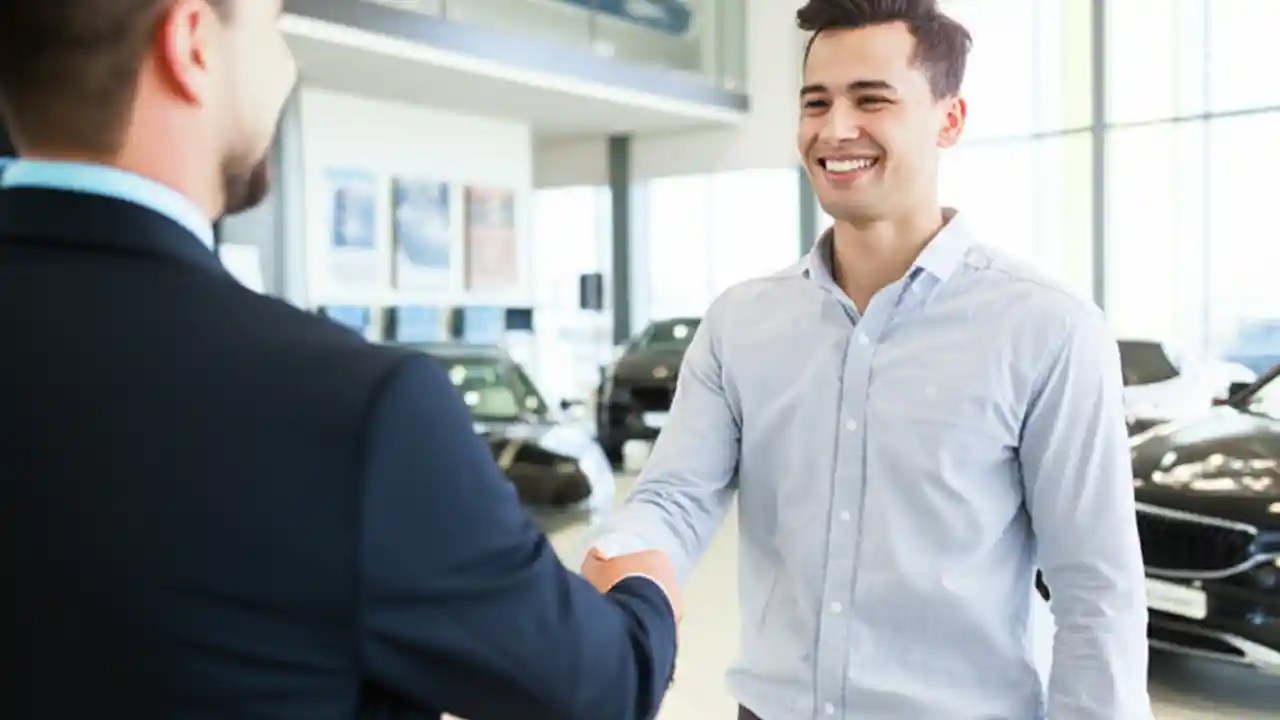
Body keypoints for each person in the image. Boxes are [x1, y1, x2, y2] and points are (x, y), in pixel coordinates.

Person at [1, 1, 680, 718]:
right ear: (192, 43)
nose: (286, 65)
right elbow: (596, 690)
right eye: (273, 25)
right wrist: (645, 587)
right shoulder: (355, 411)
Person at [580, 1, 1152, 718]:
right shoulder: (741, 322)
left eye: (870, 100)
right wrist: (627, 562)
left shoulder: (1048, 328)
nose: (834, 128)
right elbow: (673, 500)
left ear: (949, 119)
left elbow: (1096, 590)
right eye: (815, 102)